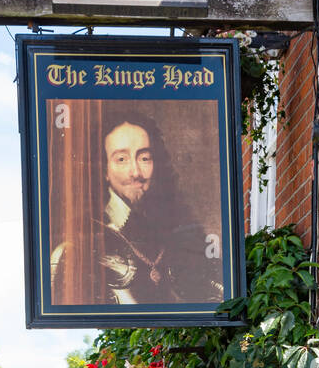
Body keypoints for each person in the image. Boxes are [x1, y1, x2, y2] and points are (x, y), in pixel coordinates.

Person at [51, 109, 223, 306]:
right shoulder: (77, 249)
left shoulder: (181, 235)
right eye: (121, 159)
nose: (135, 172)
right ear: (104, 169)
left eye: (144, 158)